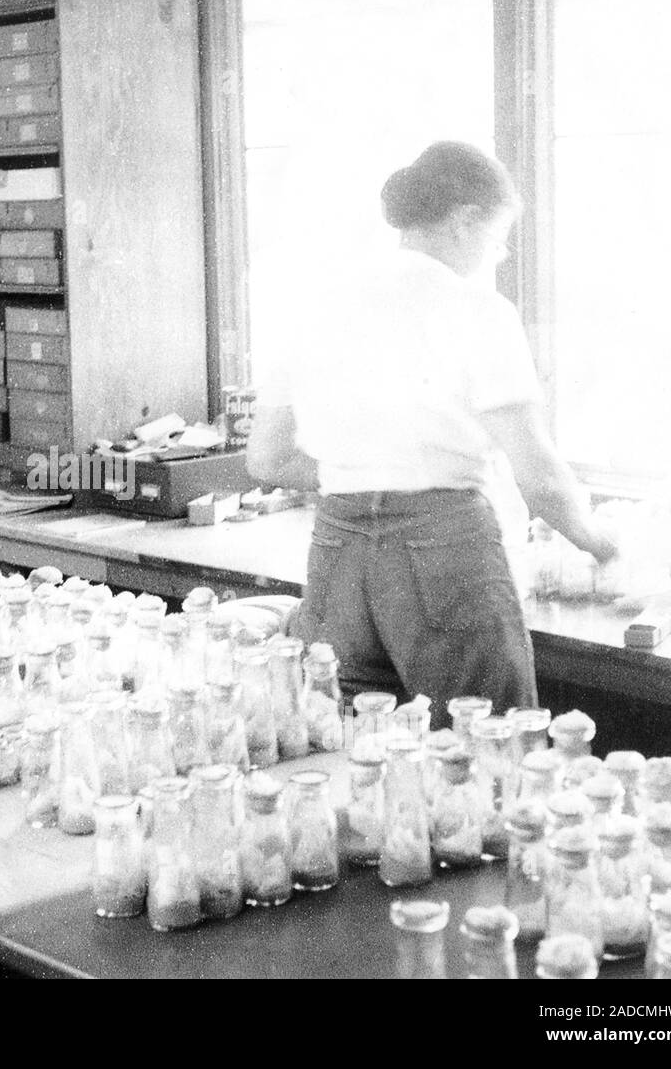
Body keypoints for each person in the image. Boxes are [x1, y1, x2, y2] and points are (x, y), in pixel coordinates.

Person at [247, 140, 617, 720]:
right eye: (497, 242)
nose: (497, 258)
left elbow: (265, 461)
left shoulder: (317, 304)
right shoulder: (477, 309)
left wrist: (363, 477)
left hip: (336, 550)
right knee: (487, 747)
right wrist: (603, 544)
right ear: (466, 220)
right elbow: (540, 478)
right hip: (442, 551)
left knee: (352, 746)